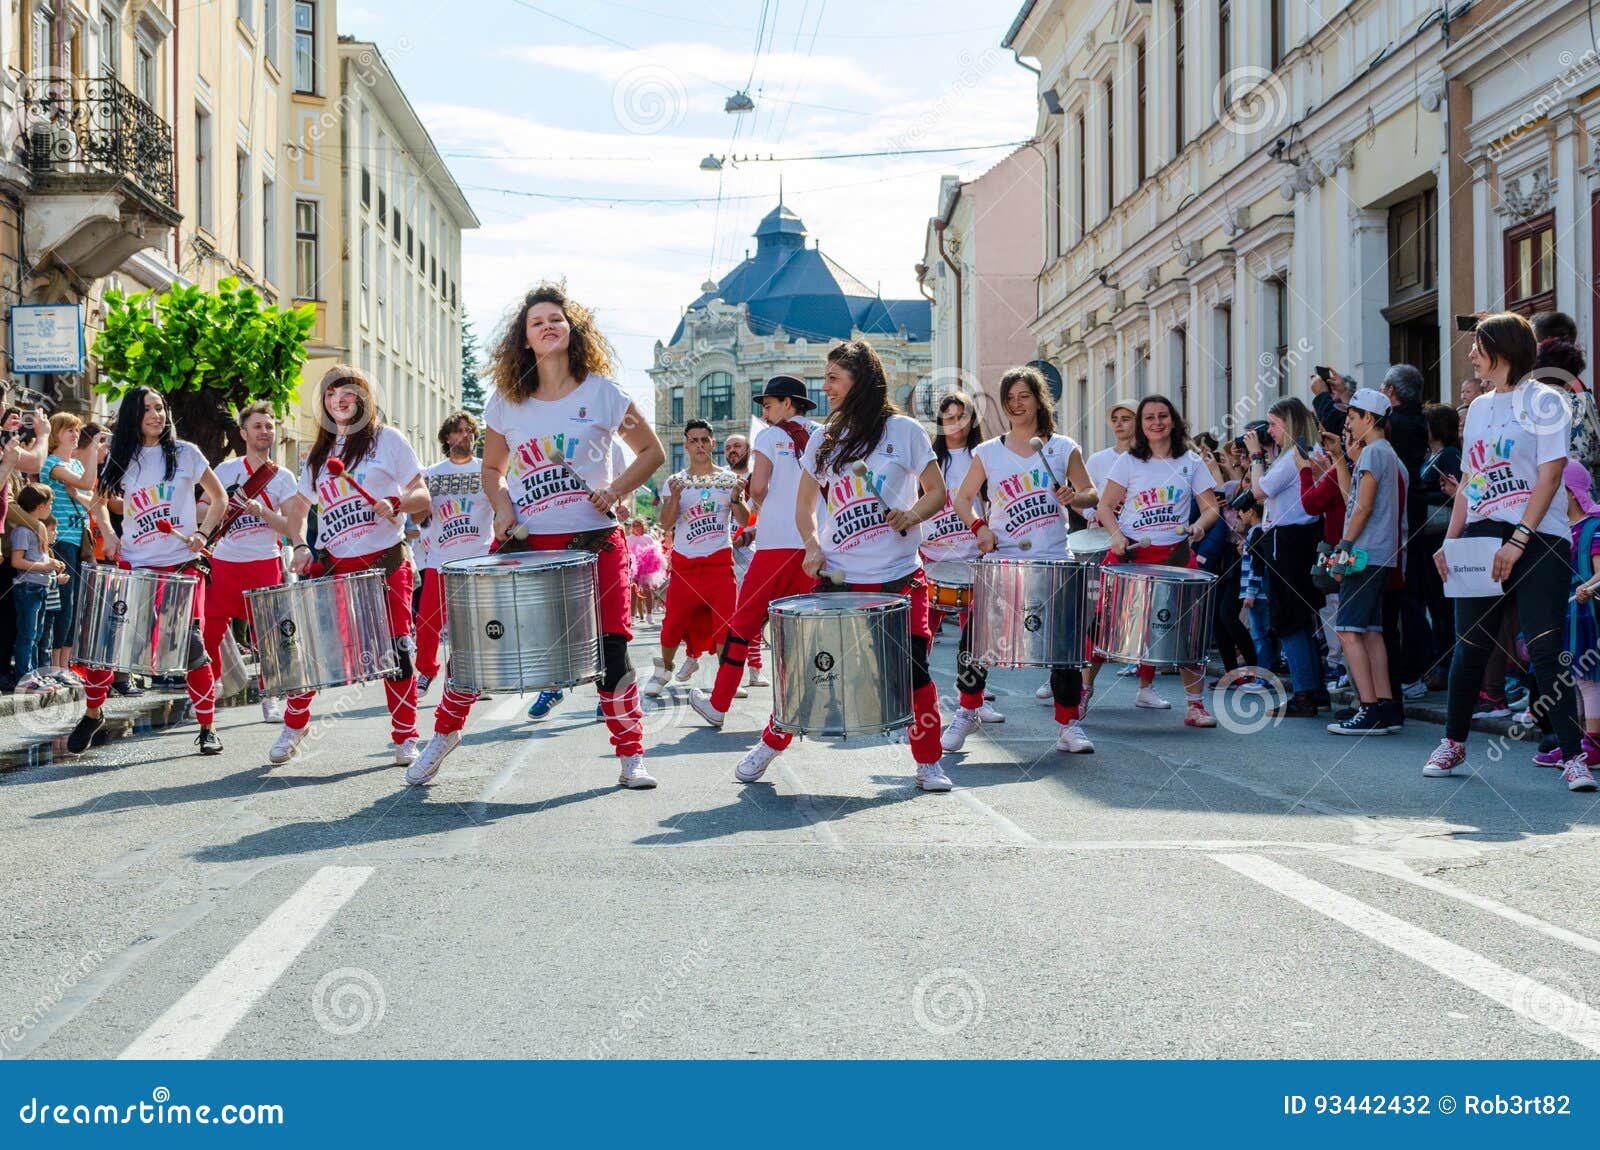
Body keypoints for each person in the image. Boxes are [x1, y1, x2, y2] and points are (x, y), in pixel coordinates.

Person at [407, 283, 666, 787]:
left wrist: (613, 490)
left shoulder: (605, 393)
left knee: (613, 648)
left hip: (594, 543)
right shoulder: (507, 402)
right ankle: (443, 734)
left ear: (572, 331)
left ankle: (631, 754)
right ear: (524, 339)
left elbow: (651, 453)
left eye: (556, 319)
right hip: (527, 543)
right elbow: (493, 470)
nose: (548, 326)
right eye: (537, 322)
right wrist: (502, 507)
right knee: (476, 645)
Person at [722, 341, 954, 791]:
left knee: (915, 671)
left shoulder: (905, 430)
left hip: (899, 575)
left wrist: (911, 514)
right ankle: (771, 742)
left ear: (859, 380)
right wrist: (811, 544)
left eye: (832, 378)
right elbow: (805, 505)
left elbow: (936, 492)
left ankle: (928, 762)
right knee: (810, 667)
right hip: (839, 576)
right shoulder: (825, 439)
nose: (823, 386)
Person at [1427, 312, 1595, 791]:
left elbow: (1550, 474)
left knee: (1546, 646)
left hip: (1540, 536)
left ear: (1502, 349)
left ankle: (1574, 755)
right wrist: (1450, 540)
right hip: (1481, 532)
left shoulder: (1546, 400)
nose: (1471, 354)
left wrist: (1519, 539)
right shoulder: (1478, 409)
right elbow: (1472, 482)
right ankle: (1453, 742)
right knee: (1471, 646)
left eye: (1478, 345)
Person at [274, 366, 431, 766]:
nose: (338, 399)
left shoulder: (387, 440)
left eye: (347, 392)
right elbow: (299, 507)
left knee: (398, 650)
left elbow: (422, 494)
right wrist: (299, 544)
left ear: (362, 399)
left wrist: (396, 504)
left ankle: (405, 736)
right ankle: (295, 725)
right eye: (330, 394)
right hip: (337, 566)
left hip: (386, 562)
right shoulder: (318, 455)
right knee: (314, 650)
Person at [69, 388, 229, 755]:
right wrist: (109, 534)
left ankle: (207, 726)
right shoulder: (122, 457)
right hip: (135, 565)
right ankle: (93, 714)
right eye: (146, 410)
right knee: (106, 647)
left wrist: (202, 534)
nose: (156, 415)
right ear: (131, 417)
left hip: (181, 566)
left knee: (192, 647)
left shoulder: (186, 453)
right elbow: (97, 503)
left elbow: (219, 498)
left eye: (160, 408)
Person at [946, 367, 1097, 751]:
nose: (1016, 404)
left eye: (1023, 396)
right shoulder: (988, 452)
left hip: (1052, 559)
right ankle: (967, 710)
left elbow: (1091, 493)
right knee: (976, 640)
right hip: (1004, 561)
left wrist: (1073, 498)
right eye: (1010, 397)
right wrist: (980, 527)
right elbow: (962, 498)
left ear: (1038, 399)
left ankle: (1068, 725)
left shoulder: (1062, 447)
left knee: (1063, 646)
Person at [687, 375, 821, 729]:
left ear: (788, 403)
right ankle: (804, 709)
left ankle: (718, 704)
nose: (765, 412)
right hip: (813, 546)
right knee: (803, 632)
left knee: (743, 624)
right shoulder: (824, 435)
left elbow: (759, 487)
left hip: (775, 544)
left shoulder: (769, 436)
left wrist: (754, 495)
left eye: (769, 404)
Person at [1094, 394, 1222, 726]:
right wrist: (1117, 536)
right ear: (1142, 424)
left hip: (1175, 555)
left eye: (1162, 416)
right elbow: (1105, 507)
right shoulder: (1129, 462)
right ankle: (1082, 692)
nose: (1156, 422)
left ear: (1173, 420)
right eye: (1149, 417)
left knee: (1185, 630)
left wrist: (1197, 526)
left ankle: (1195, 705)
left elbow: (1211, 508)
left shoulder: (1191, 462)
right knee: (1104, 625)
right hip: (1131, 552)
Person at [202, 402, 301, 721]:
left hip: (264, 561)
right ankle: (209, 687)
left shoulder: (283, 476)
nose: (264, 431)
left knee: (270, 636)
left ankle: (271, 696)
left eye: (269, 426)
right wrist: (224, 508)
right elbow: (199, 509)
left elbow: (290, 526)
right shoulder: (226, 471)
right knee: (210, 631)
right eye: (257, 426)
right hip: (225, 562)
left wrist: (263, 512)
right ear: (243, 433)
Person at [642, 420, 746, 696]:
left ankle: (726, 681)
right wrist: (674, 498)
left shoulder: (728, 480)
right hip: (686, 566)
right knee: (672, 623)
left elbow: (744, 520)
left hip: (719, 564)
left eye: (705, 440)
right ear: (686, 445)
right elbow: (665, 524)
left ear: (712, 443)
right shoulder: (674, 481)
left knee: (725, 623)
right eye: (694, 440)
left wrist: (736, 498)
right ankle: (663, 671)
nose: (700, 445)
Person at [1325, 389, 1405, 735]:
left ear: (1368, 418)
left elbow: (1363, 507)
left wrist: (1343, 545)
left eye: (1352, 418)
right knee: (1371, 632)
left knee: (1347, 630)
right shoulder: (1387, 454)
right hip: (1382, 553)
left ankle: (1369, 707)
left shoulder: (1373, 453)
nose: (1348, 424)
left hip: (1365, 552)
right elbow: (1354, 499)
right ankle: (1385, 707)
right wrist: (1340, 459)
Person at [1244, 396, 1327, 717]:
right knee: (1301, 618)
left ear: (1290, 424)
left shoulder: (1295, 455)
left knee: (1288, 619)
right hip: (1299, 539)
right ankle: (1314, 690)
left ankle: (1305, 692)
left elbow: (1258, 491)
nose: (1270, 432)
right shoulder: (1306, 452)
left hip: (1287, 541)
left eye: (1274, 424)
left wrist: (1254, 455)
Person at [414, 410, 495, 695]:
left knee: (473, 623)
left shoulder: (487, 470)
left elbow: (503, 507)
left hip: (477, 559)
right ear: (447, 437)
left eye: (470, 431)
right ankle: (426, 670)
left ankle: (467, 673)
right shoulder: (431, 474)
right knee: (426, 622)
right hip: (440, 560)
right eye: (460, 430)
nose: (467, 436)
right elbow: (419, 518)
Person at [1542, 462, 1600, 768]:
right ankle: (1577, 743)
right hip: (1568, 611)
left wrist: (1587, 589)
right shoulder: (1561, 530)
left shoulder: (1593, 528)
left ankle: (1594, 742)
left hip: (1585, 612)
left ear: (1573, 494)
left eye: (1557, 490)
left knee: (1589, 680)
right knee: (1575, 679)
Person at [1417, 402, 1463, 683]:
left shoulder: (1449, 456)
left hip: (1440, 532)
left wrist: (1422, 499)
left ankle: (1445, 663)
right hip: (1427, 536)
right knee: (1433, 603)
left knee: (1442, 603)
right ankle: (1437, 659)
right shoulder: (1430, 457)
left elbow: (1456, 494)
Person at [10, 484, 65, 693]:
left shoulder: (35, 529)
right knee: (28, 634)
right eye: (50, 503)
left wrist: (52, 566)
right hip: (28, 587)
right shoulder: (24, 531)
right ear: (41, 506)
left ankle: (34, 675)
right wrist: (46, 566)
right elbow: (17, 561)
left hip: (40, 586)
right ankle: (25, 678)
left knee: (37, 633)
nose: (51, 507)